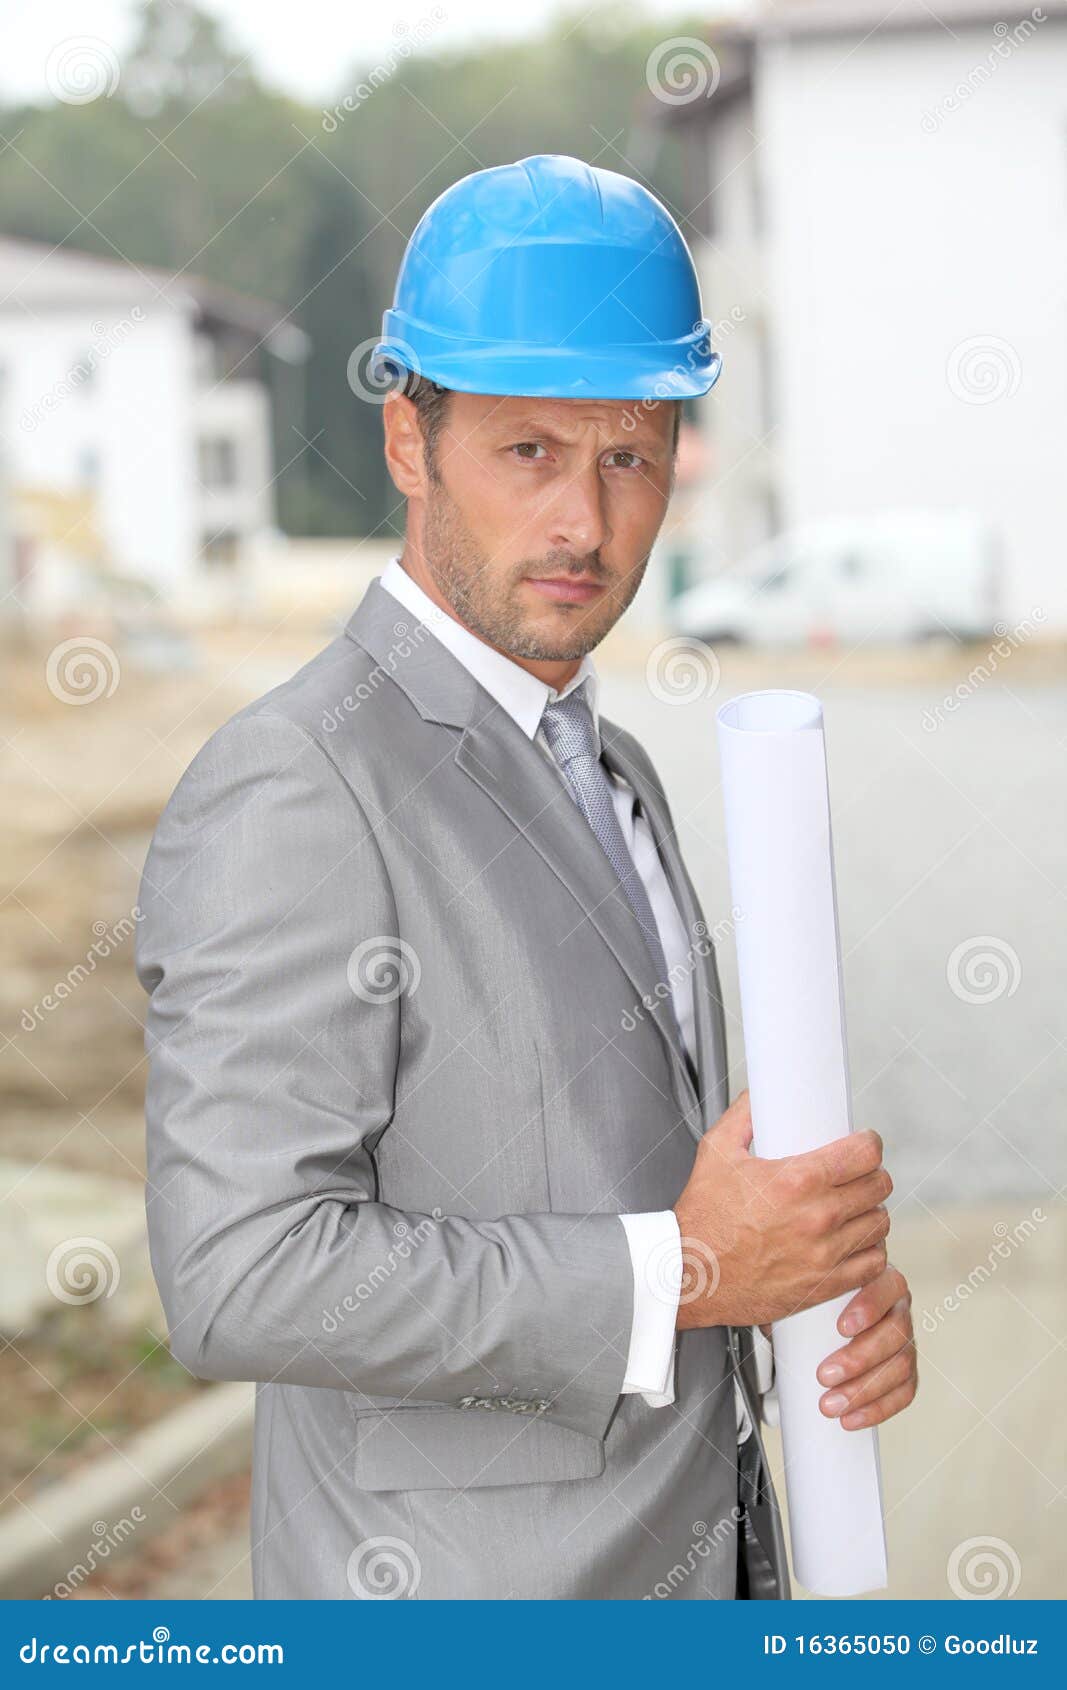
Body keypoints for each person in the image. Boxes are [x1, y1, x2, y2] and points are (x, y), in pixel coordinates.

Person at [137, 155, 916, 1600]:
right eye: (527, 453)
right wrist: (680, 1272)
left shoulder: (619, 775)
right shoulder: (298, 783)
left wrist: (796, 1292)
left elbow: (660, 1199)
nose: (583, 523)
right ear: (407, 442)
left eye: (628, 456)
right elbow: (238, 1269)